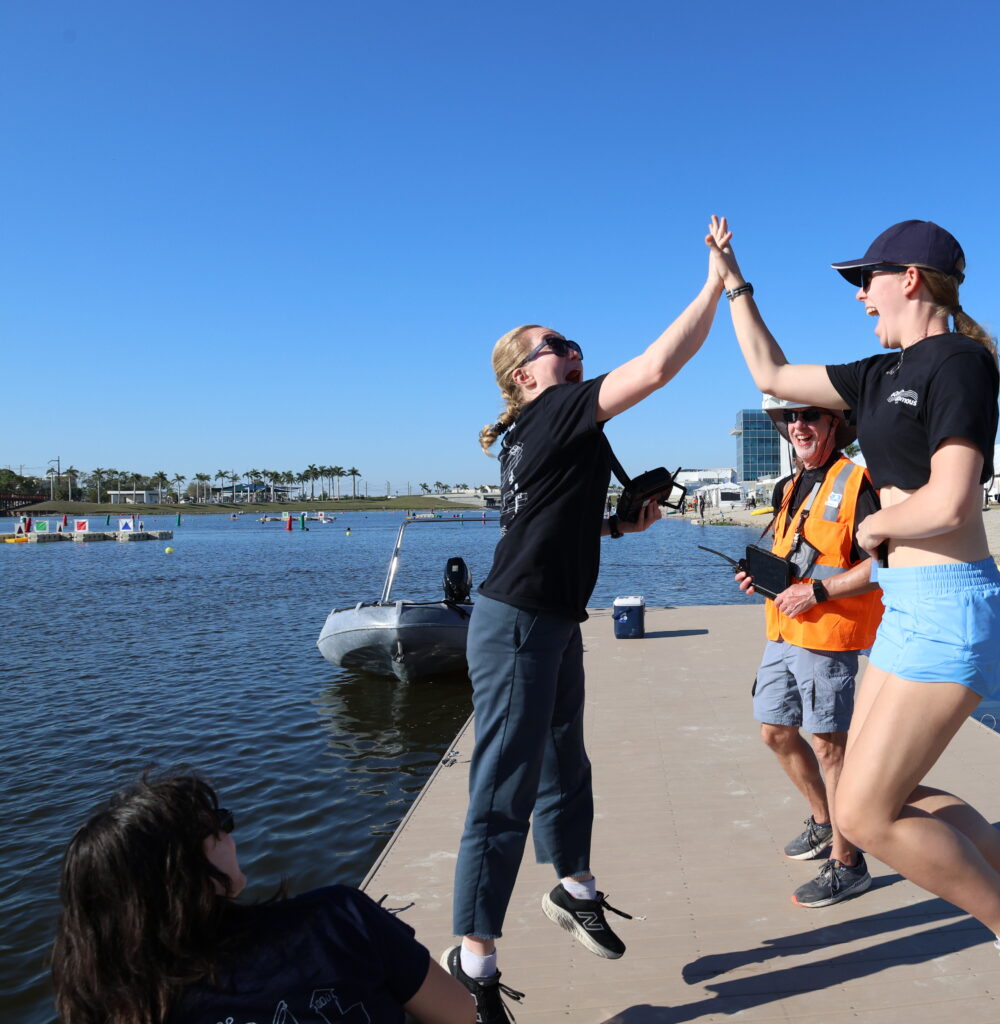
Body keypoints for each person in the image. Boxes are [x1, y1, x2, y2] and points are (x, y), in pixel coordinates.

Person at [711, 215, 1000, 1024]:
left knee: (866, 813)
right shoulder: (878, 374)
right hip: (909, 608)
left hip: (953, 604)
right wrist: (734, 284)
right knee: (873, 793)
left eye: (866, 281)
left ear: (909, 278)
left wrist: (876, 525)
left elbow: (951, 503)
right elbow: (770, 372)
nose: (859, 297)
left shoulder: (959, 363)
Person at [445, 238, 724, 1022]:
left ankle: (574, 888)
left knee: (567, 761)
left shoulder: (545, 431)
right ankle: (473, 963)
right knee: (502, 790)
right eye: (556, 345)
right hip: (518, 624)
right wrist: (715, 287)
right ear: (524, 375)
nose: (573, 351)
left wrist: (617, 525)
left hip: (553, 619)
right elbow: (657, 368)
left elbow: (544, 524)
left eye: (573, 343)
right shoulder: (555, 410)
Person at [52, 772, 473, 1024]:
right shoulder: (337, 920)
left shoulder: (115, 1004)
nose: (229, 833)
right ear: (184, 871)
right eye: (219, 824)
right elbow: (460, 1015)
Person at [749, 395, 883, 908]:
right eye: (791, 417)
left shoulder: (858, 482)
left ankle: (849, 863)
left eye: (810, 416)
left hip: (828, 634)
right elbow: (795, 556)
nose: (798, 425)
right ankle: (826, 822)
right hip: (783, 629)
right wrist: (759, 577)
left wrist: (819, 592)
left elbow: (885, 562)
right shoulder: (790, 486)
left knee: (830, 747)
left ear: (833, 424)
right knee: (776, 731)